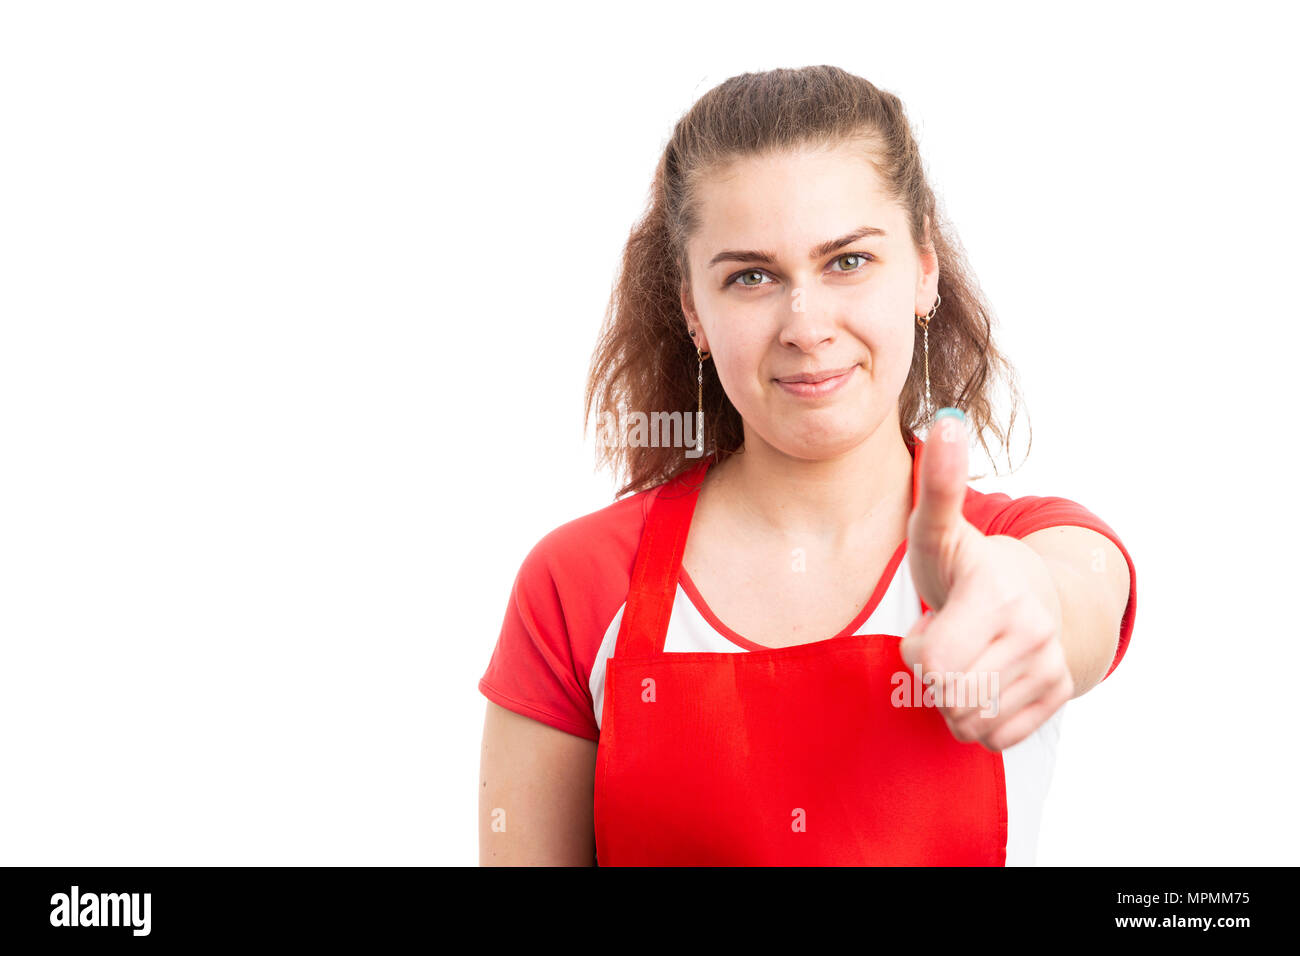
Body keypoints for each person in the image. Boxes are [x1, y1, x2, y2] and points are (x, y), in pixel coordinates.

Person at [477, 65, 1136, 866]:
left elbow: (1076, 600)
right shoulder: (577, 586)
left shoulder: (1022, 544)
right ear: (694, 309)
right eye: (751, 277)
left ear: (923, 269)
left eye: (849, 261)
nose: (806, 324)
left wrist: (1026, 606)